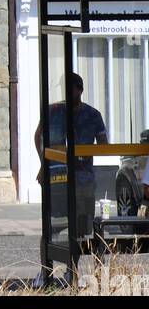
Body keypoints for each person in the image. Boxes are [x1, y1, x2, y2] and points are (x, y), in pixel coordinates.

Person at [34, 73, 108, 243]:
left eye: (71, 90)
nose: (66, 93)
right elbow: (38, 136)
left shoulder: (93, 115)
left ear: (80, 90)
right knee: (52, 227)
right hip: (57, 176)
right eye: (64, 89)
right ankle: (47, 267)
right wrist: (43, 165)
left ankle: (71, 267)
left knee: (81, 230)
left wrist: (86, 153)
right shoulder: (53, 111)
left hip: (83, 180)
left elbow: (103, 144)